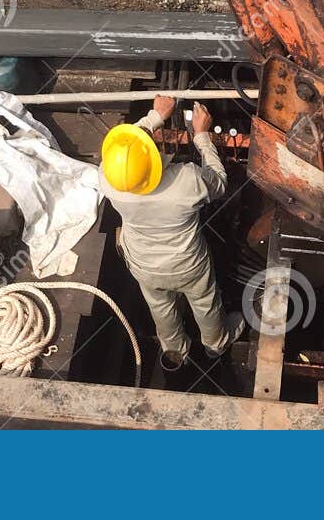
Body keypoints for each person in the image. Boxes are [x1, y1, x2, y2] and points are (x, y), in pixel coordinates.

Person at [99, 95, 245, 368]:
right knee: (204, 301)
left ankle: (175, 351)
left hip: (143, 264)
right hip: (188, 264)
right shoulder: (187, 180)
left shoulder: (108, 177)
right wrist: (202, 136)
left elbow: (125, 152)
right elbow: (220, 182)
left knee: (160, 306)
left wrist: (155, 117)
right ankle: (216, 345)